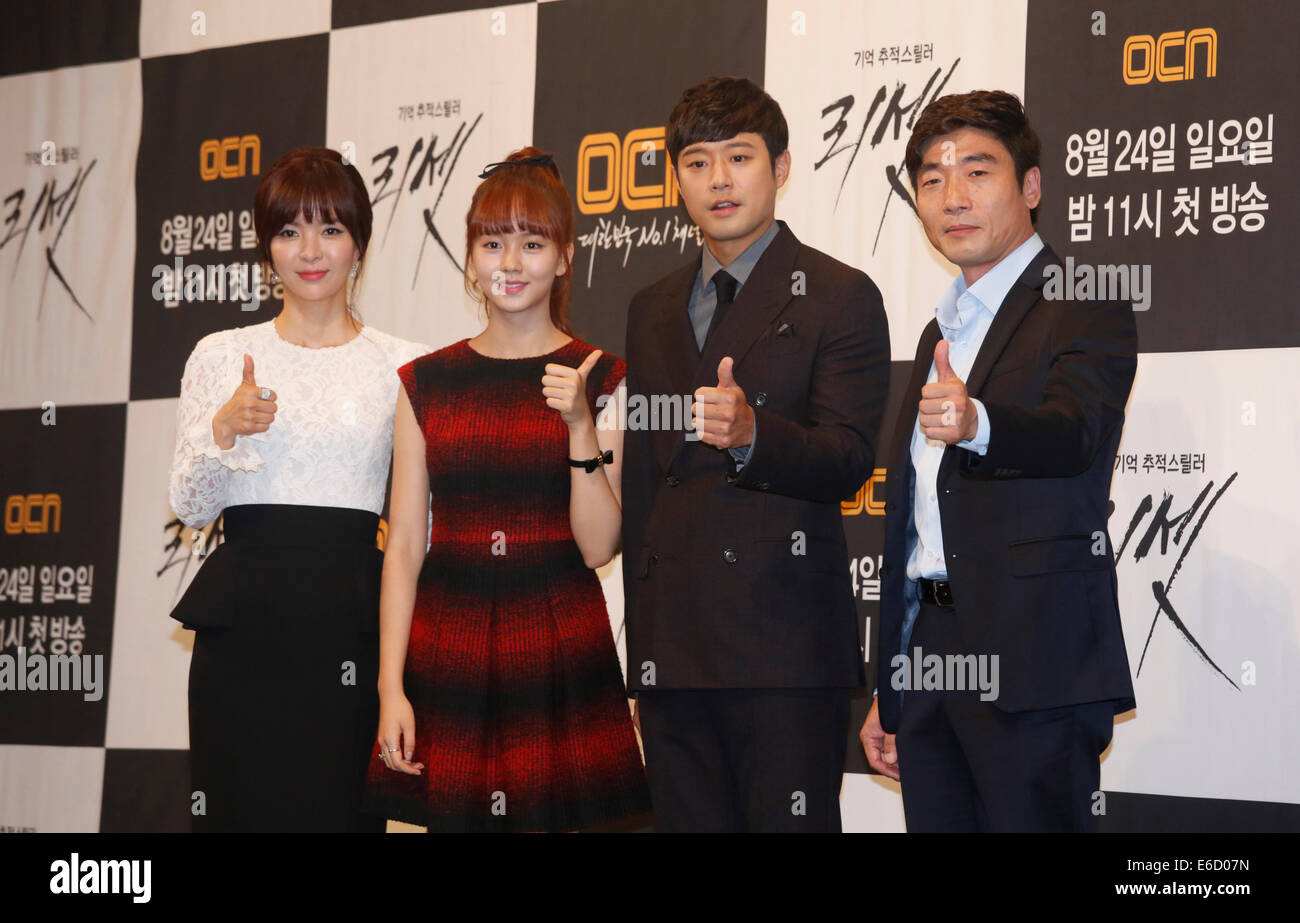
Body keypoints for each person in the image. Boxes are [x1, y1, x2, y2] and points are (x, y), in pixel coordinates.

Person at [859, 90, 1138, 832]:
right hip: (930, 651)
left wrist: (978, 420)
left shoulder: (1084, 298)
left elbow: (1074, 432)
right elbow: (914, 528)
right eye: (931, 178)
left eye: (978, 171)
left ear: (1032, 186)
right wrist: (892, 682)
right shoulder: (935, 333)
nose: (953, 195)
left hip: (1032, 654)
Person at [621, 76, 890, 832]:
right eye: (698, 162)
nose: (719, 180)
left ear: (783, 166)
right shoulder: (651, 306)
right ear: (676, 179)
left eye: (739, 157)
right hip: (673, 652)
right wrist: (643, 655)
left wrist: (752, 436)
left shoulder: (839, 294)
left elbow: (849, 457)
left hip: (784, 651)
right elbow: (646, 484)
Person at [362, 147, 650, 832]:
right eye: (493, 243)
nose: (511, 263)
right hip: (448, 641)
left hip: (557, 638)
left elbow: (598, 545)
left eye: (531, 242)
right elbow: (403, 546)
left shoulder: (604, 377)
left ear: (565, 256)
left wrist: (581, 424)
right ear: (470, 258)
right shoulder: (423, 383)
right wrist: (390, 685)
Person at [168, 146, 428, 832]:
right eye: (289, 231)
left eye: (331, 229)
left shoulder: (404, 365)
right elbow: (191, 507)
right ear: (266, 248)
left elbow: (412, 532)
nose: (310, 250)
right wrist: (222, 429)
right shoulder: (222, 354)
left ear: (360, 245)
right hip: (243, 638)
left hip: (350, 629)